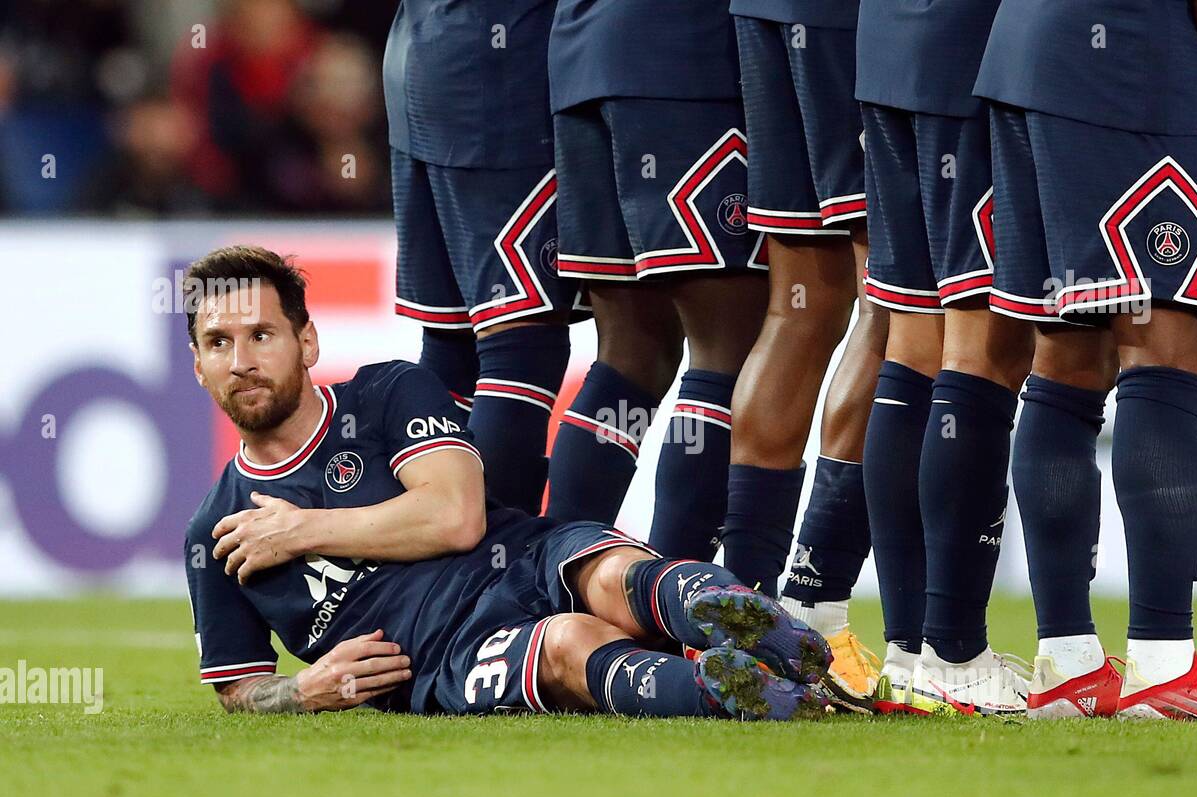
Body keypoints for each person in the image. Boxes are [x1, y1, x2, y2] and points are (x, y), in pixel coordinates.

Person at [182, 245, 833, 721]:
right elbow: (238, 687)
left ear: (307, 342)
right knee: (567, 645)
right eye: (218, 343)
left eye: (261, 335)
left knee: (612, 577)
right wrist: (304, 689)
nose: (241, 361)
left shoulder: (385, 391)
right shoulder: (214, 534)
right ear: (198, 367)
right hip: (440, 652)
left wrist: (303, 528)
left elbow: (457, 515)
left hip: (519, 553)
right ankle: (737, 688)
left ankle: (759, 629)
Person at [975, 0, 1197, 718]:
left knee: (1067, 354)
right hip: (1131, 57)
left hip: (1020, 54)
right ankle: (1163, 661)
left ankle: (1067, 664)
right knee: (1171, 343)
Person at [857, 0, 1035, 715]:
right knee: (982, 345)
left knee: (913, 340)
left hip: (886, 50)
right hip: (971, 56)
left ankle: (911, 651)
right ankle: (956, 654)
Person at [543, 0, 767, 562]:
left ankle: (554, 593)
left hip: (582, 59)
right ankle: (673, 608)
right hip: (688, 63)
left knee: (632, 360)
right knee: (727, 357)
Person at [722, 0, 886, 709]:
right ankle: (817, 608)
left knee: (801, 310)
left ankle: (748, 612)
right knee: (899, 298)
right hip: (855, 19)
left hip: (767, 12)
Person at [384, 0, 574, 515]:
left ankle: (428, 570)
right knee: (522, 346)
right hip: (498, 75)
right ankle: (493, 567)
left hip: (421, 56)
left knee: (454, 348)